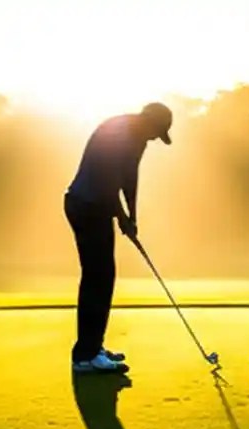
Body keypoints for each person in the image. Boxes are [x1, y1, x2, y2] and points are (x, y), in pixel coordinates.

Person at [64, 102, 173, 374]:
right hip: (86, 205)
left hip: (95, 206)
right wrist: (122, 218)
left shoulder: (137, 137)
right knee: (97, 278)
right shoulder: (119, 133)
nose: (153, 138)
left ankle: (92, 347)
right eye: (156, 131)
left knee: (101, 277)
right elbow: (107, 183)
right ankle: (86, 355)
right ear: (149, 121)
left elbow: (129, 177)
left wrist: (132, 216)